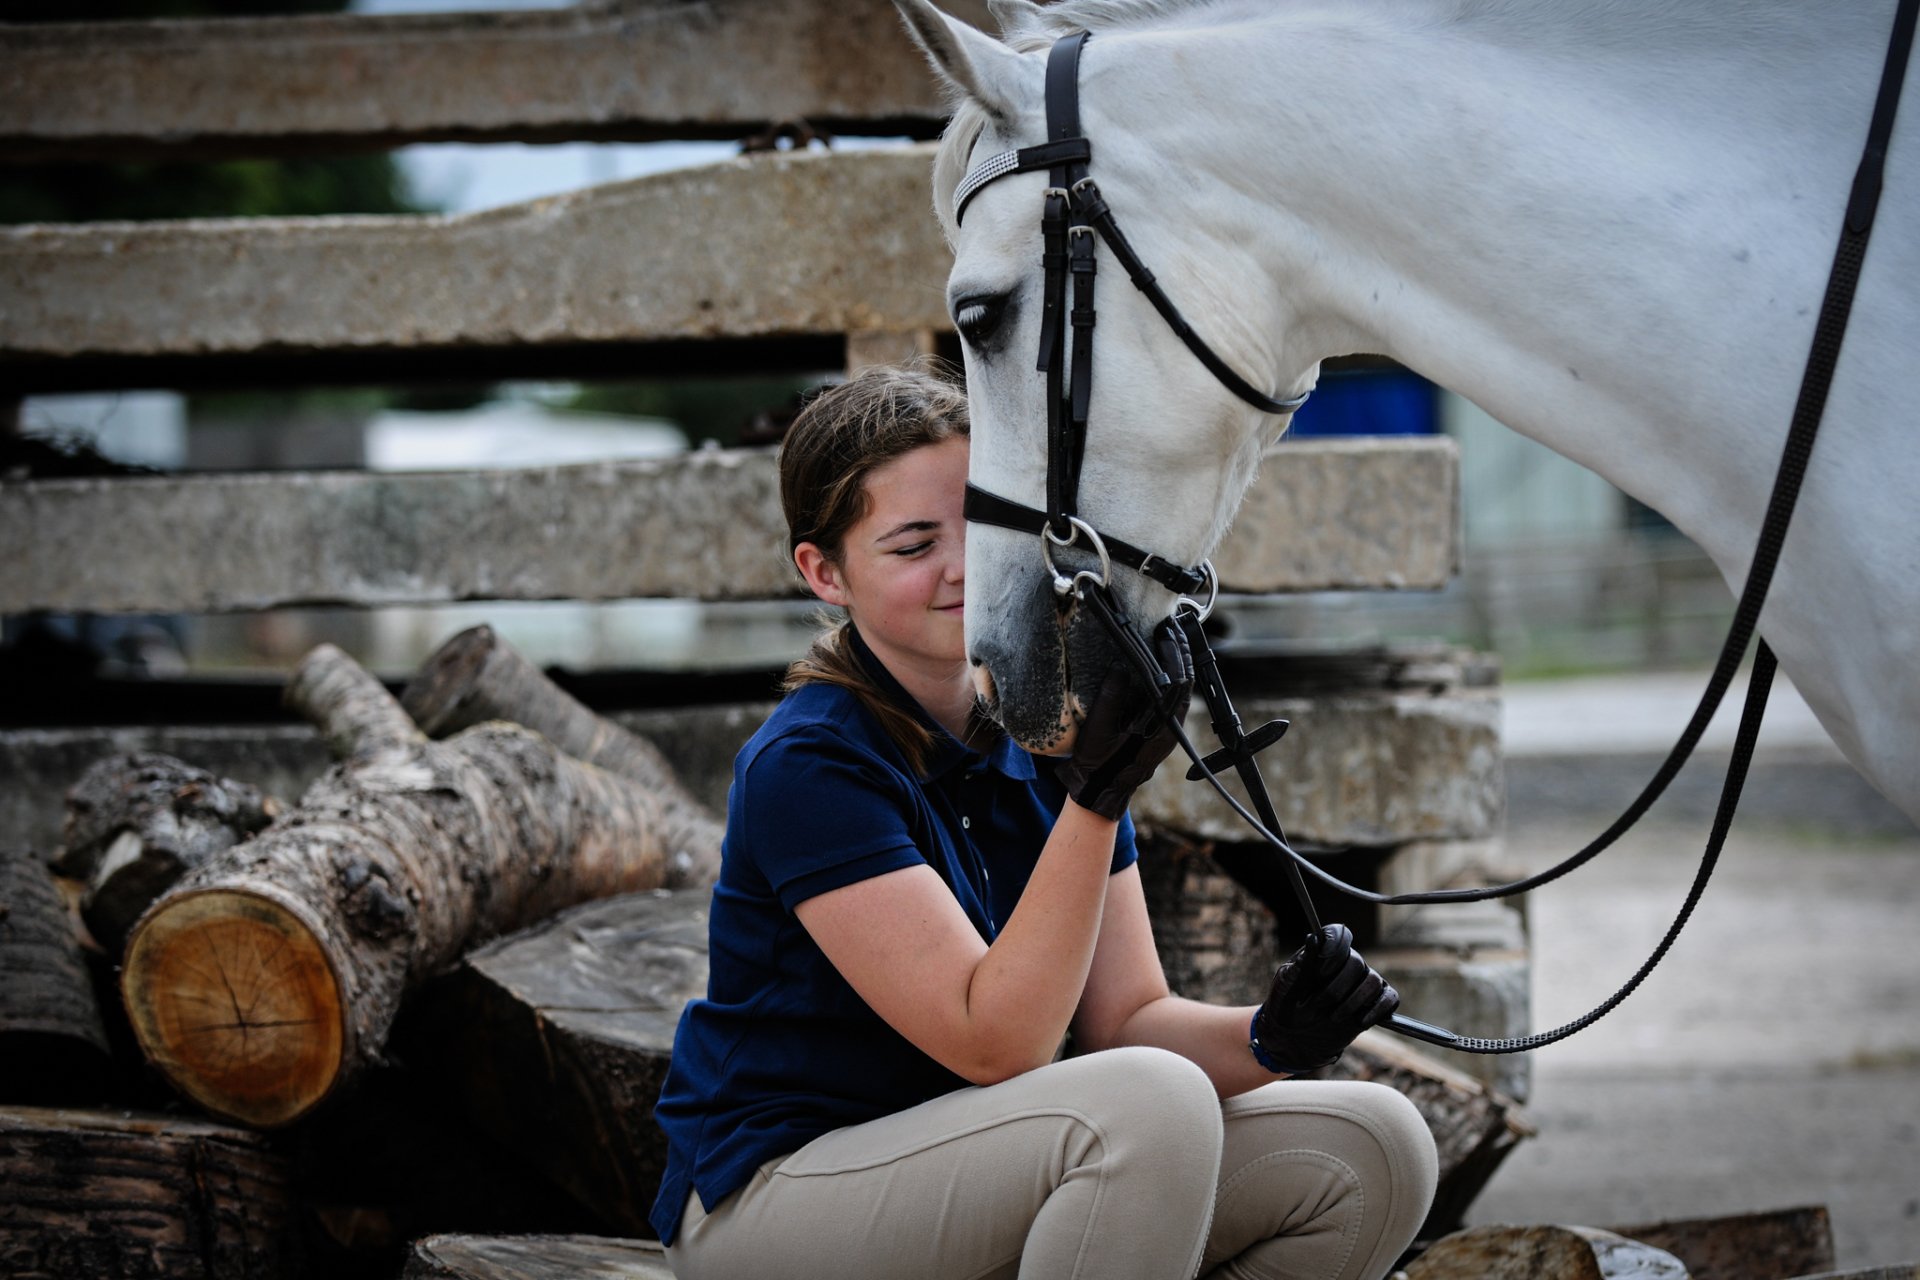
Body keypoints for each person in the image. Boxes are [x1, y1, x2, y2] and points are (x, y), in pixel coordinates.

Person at [651, 365, 1437, 1279]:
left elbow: (1131, 1020)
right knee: (1147, 1109)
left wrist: (1274, 1038)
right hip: (780, 1199)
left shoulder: (1034, 727)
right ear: (825, 573)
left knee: (1372, 1145)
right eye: (912, 546)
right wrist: (1094, 801)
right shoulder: (810, 764)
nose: (964, 569)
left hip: (974, 1170)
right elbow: (997, 1043)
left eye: (979, 529)